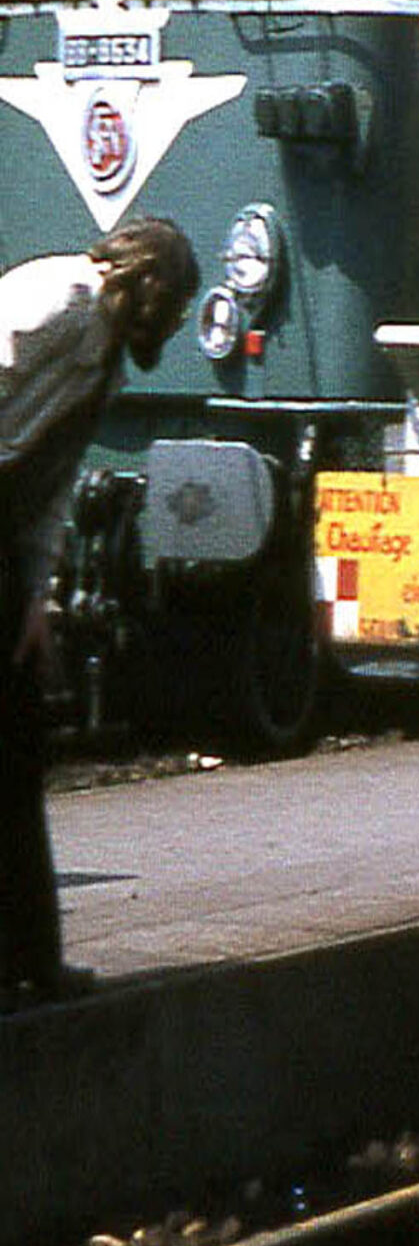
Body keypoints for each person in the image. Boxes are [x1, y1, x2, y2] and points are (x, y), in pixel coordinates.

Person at [0, 216, 198, 1005]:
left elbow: (50, 483)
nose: (177, 323)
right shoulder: (58, 301)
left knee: (18, 749)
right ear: (146, 282)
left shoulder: (109, 363)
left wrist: (36, 598)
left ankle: (33, 961)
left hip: (5, 532)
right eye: (176, 305)